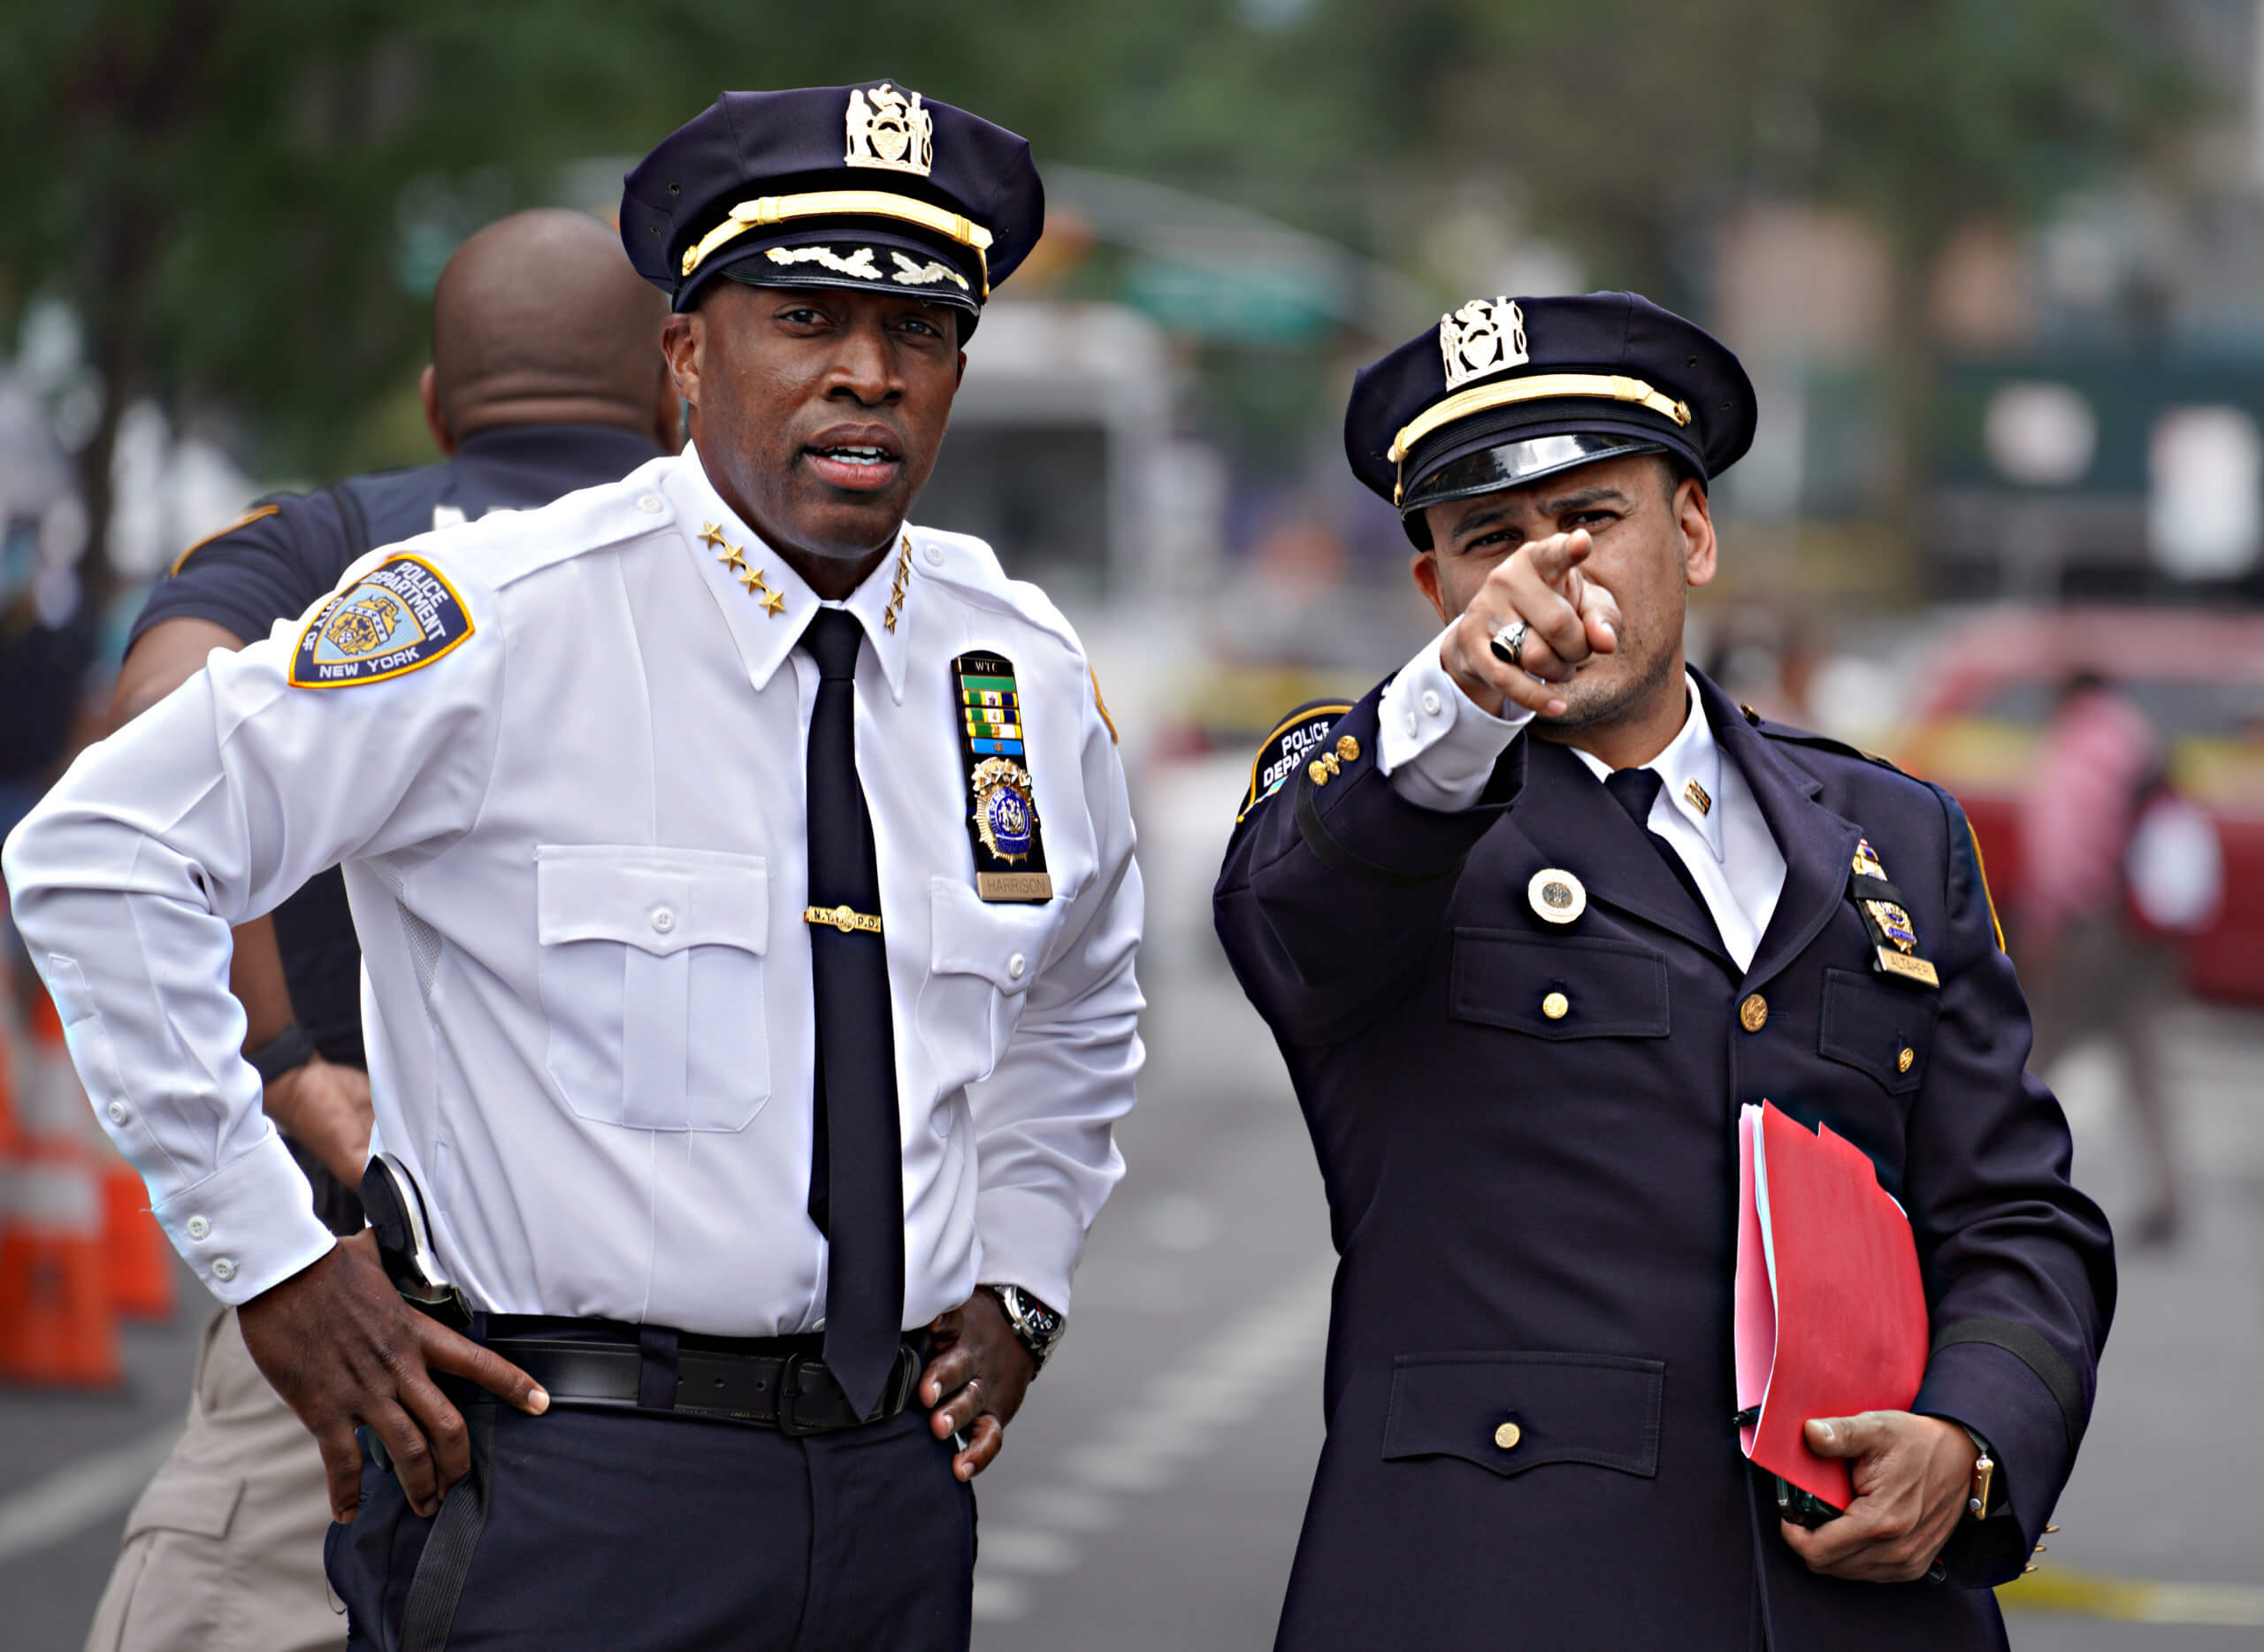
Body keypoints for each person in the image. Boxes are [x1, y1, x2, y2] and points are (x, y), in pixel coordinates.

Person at [8, 80, 1142, 1652]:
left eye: (923, 330)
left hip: (893, 1495)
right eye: (807, 315)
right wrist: (269, 1255)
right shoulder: (495, 616)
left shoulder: (1004, 665)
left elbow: (1081, 994)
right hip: (572, 1481)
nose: (869, 373)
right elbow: (99, 848)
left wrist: (1021, 1278)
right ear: (686, 356)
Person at [1214, 292, 2113, 1650]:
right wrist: (1458, 704)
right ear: (1434, 592)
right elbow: (1293, 921)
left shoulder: (1893, 832)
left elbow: (2015, 1212)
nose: (1550, 571)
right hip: (1498, 1599)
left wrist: (1972, 1437)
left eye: (1592, 520)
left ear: (1691, 533)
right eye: (1490, 540)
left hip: (1853, 1605)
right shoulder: (1385, 796)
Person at [77, 206, 678, 1652]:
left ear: (434, 399)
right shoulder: (763, 582)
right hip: (710, 1400)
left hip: (356, 1326)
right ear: (675, 386)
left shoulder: (322, 549)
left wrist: (281, 1054)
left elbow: (152, 743)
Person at [2013, 670, 2191, 1244]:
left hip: (2090, 928)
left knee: (2037, 1051)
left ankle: (1986, 1166)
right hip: (2145, 930)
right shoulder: (2138, 737)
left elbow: (2058, 843)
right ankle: (2167, 1192)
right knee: (2145, 1064)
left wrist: (2042, 924)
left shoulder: (2075, 746)